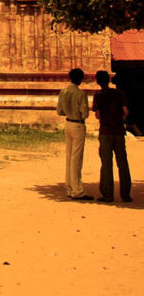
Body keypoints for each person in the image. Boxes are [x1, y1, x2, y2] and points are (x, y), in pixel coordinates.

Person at [92, 70, 132, 203]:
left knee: (106, 164)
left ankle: (108, 194)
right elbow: (126, 111)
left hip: (105, 132)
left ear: (97, 81)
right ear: (109, 80)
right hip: (119, 131)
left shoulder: (98, 96)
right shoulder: (119, 93)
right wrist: (120, 119)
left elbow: (97, 114)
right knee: (122, 163)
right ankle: (125, 194)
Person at [56, 67, 92, 200]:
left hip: (68, 124)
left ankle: (70, 188)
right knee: (76, 159)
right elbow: (85, 113)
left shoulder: (63, 92)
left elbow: (59, 111)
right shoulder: (80, 94)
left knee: (69, 157)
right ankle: (77, 191)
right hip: (78, 124)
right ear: (80, 79)